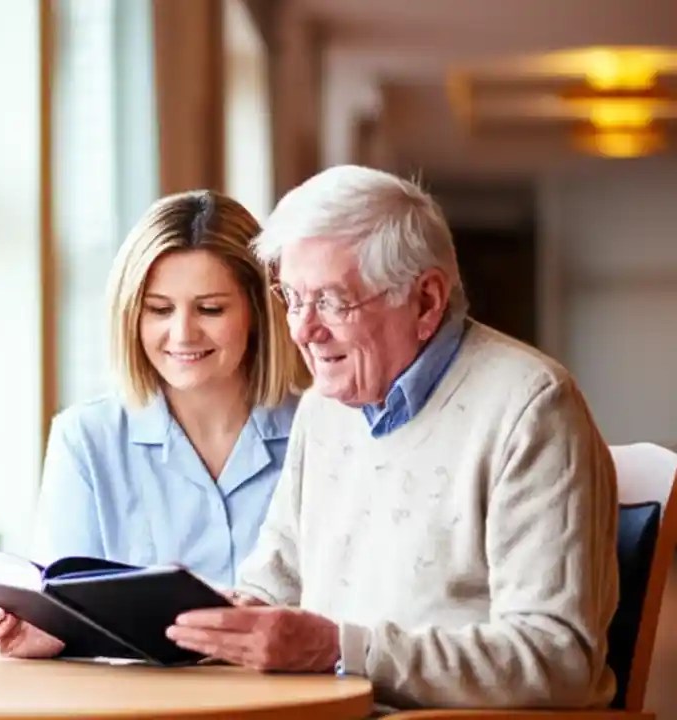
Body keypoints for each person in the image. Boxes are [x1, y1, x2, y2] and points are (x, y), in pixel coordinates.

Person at [164, 165, 619, 711]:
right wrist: (179, 622)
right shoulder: (323, 409)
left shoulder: (531, 406)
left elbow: (558, 659)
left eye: (333, 301)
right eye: (293, 298)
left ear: (426, 301)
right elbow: (272, 588)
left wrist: (341, 650)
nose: (303, 330)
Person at [0, 189, 310, 657]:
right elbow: (63, 611)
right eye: (160, 310)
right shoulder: (86, 440)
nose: (183, 333)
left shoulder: (321, 433)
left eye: (210, 309)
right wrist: (39, 635)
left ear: (258, 310)